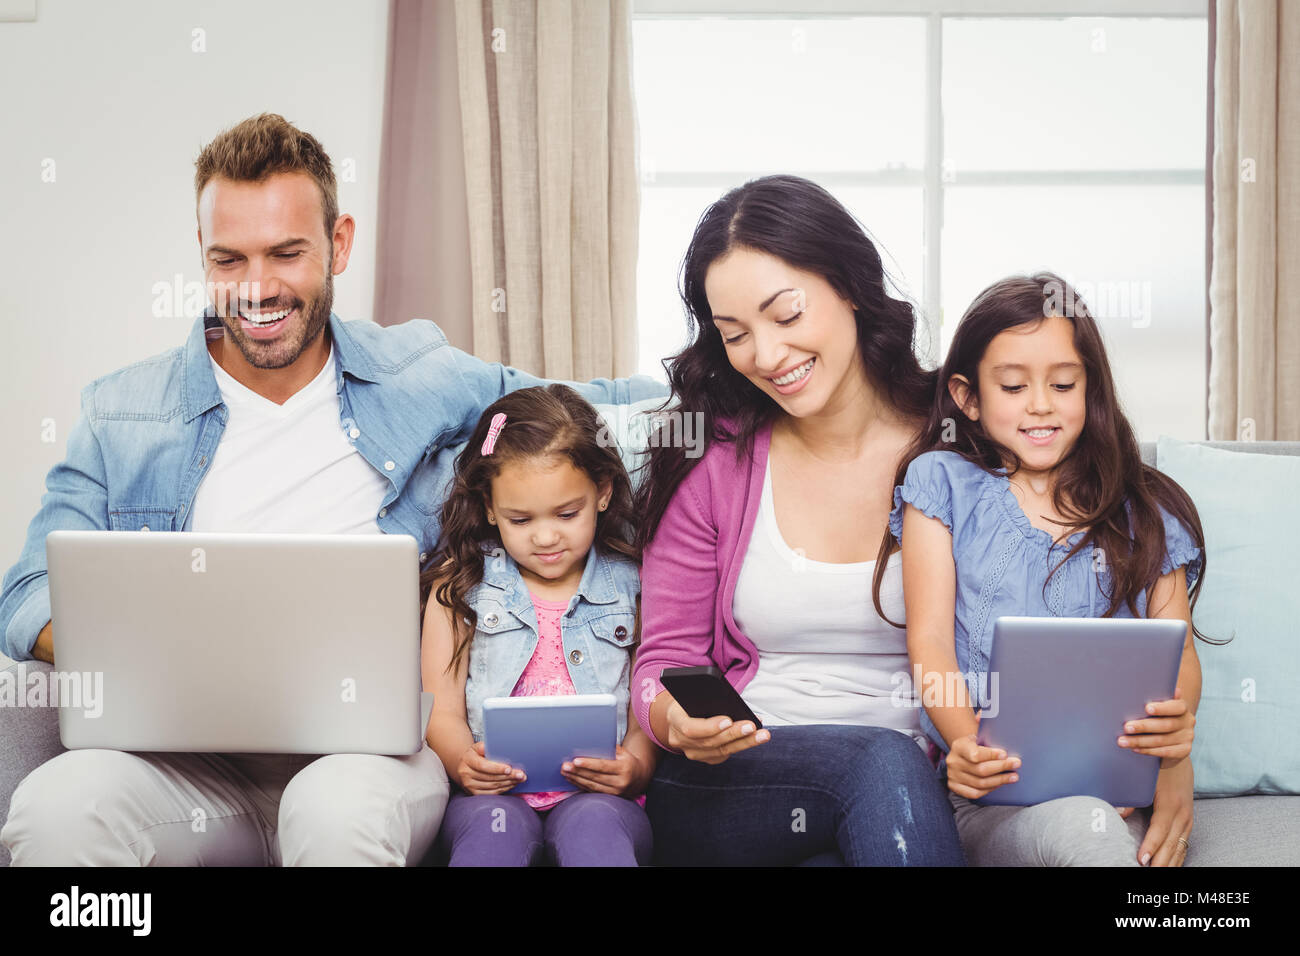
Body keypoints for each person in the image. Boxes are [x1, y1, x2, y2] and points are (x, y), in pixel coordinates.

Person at [0, 113, 665, 866]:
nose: (258, 287)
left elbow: (591, 410)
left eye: (287, 253)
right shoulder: (121, 413)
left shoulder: (418, 373)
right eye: (230, 258)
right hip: (180, 764)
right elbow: (25, 594)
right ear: (202, 254)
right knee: (53, 811)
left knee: (336, 813)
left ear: (339, 243)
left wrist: (729, 393)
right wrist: (155, 644)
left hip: (367, 757)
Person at [630, 175, 966, 866]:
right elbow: (664, 661)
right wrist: (675, 719)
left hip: (908, 789)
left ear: (849, 284)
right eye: (736, 335)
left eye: (786, 314)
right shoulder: (710, 459)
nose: (767, 355)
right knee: (880, 762)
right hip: (735, 781)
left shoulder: (959, 441)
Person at [885, 273, 1207, 867]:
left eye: (1063, 384)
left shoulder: (1146, 509)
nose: (1040, 404)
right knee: (1084, 833)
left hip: (1120, 791)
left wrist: (1172, 753)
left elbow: (1179, 653)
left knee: (1097, 832)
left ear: (1090, 388)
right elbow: (929, 641)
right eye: (1012, 386)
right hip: (995, 797)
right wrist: (965, 745)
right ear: (969, 397)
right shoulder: (942, 483)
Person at [422, 386, 656, 866]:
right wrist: (463, 762)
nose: (546, 536)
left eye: (567, 514)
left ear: (603, 492)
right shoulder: (458, 586)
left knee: (595, 830)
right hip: (489, 799)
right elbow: (438, 709)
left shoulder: (635, 584)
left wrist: (635, 769)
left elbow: (645, 713)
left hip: (602, 799)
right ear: (489, 507)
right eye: (520, 519)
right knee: (491, 836)